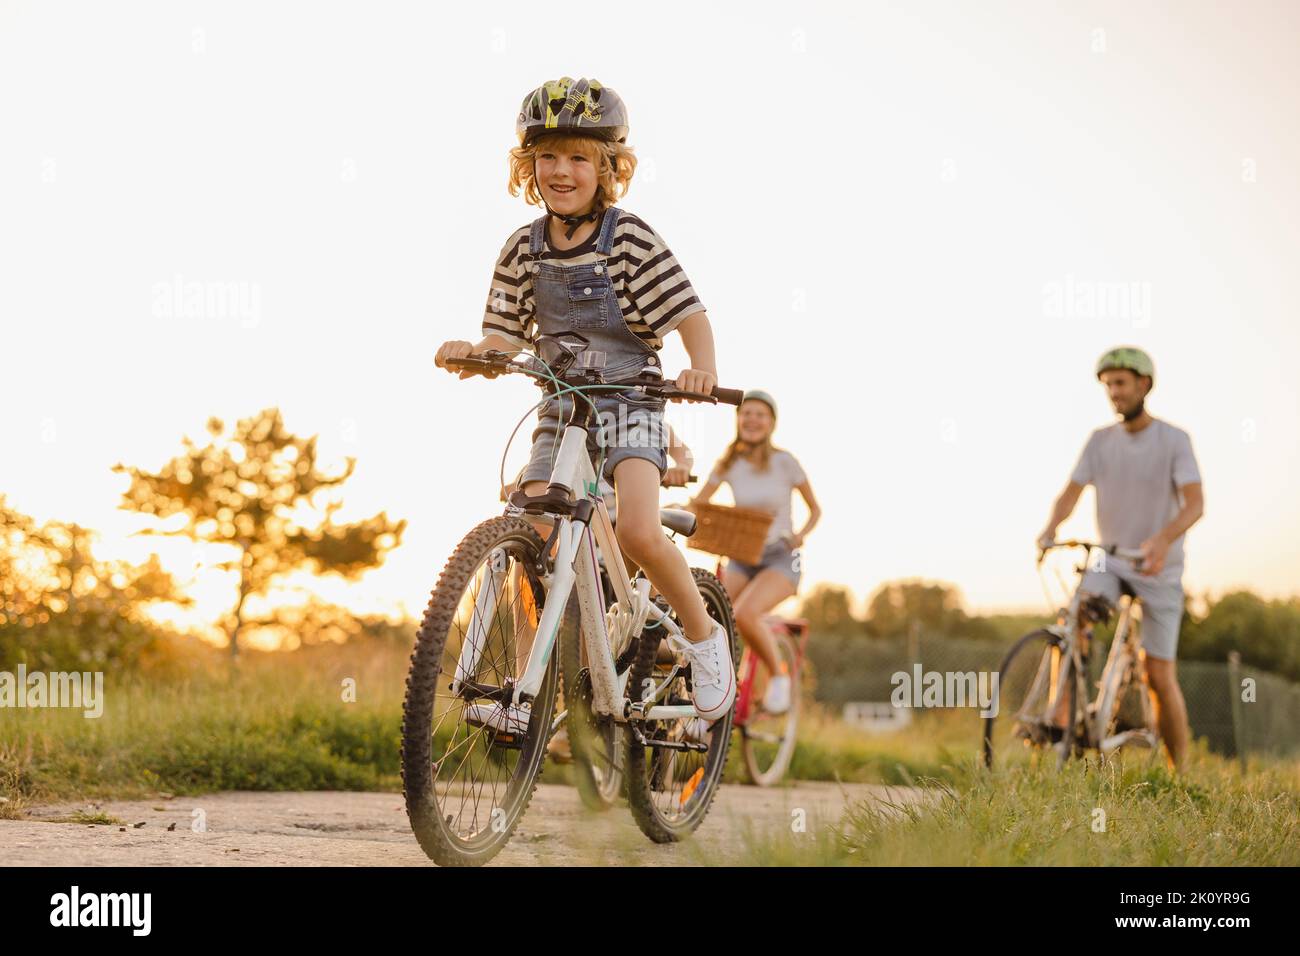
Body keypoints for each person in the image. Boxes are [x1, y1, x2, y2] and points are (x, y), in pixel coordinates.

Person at [434, 77, 735, 734]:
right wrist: (477, 354)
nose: (561, 171)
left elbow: (688, 314)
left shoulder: (628, 240)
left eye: (578, 158)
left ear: (608, 168)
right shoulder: (521, 248)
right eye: (548, 157)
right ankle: (525, 686)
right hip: (561, 407)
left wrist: (701, 370)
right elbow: (505, 336)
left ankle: (705, 637)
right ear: (528, 166)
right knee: (530, 525)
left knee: (636, 530)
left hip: (633, 399)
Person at [1037, 347, 1204, 770]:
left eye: (1121, 383)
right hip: (1108, 560)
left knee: (1158, 676)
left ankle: (1179, 772)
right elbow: (1070, 493)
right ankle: (1060, 716)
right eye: (1109, 384)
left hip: (1158, 567)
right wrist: (1049, 530)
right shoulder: (1099, 441)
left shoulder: (1173, 440)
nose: (1114, 392)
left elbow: (1195, 504)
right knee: (1075, 619)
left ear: (1144, 385)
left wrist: (1163, 541)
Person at [688, 390, 821, 715]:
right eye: (746, 413)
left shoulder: (784, 461)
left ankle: (779, 676)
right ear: (739, 420)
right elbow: (701, 502)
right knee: (709, 615)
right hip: (742, 555)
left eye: (760, 414)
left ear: (771, 423)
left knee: (746, 613)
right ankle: (712, 688)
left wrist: (800, 536)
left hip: (779, 557)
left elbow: (815, 510)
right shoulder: (729, 462)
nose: (752, 419)